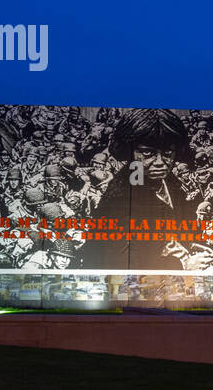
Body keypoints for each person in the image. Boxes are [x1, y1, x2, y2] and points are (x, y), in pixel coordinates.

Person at [77, 109, 198, 270]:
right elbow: (122, 263)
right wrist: (184, 265)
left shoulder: (171, 183)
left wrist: (192, 246)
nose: (160, 162)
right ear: (130, 151)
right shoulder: (121, 196)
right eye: (148, 153)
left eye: (168, 153)